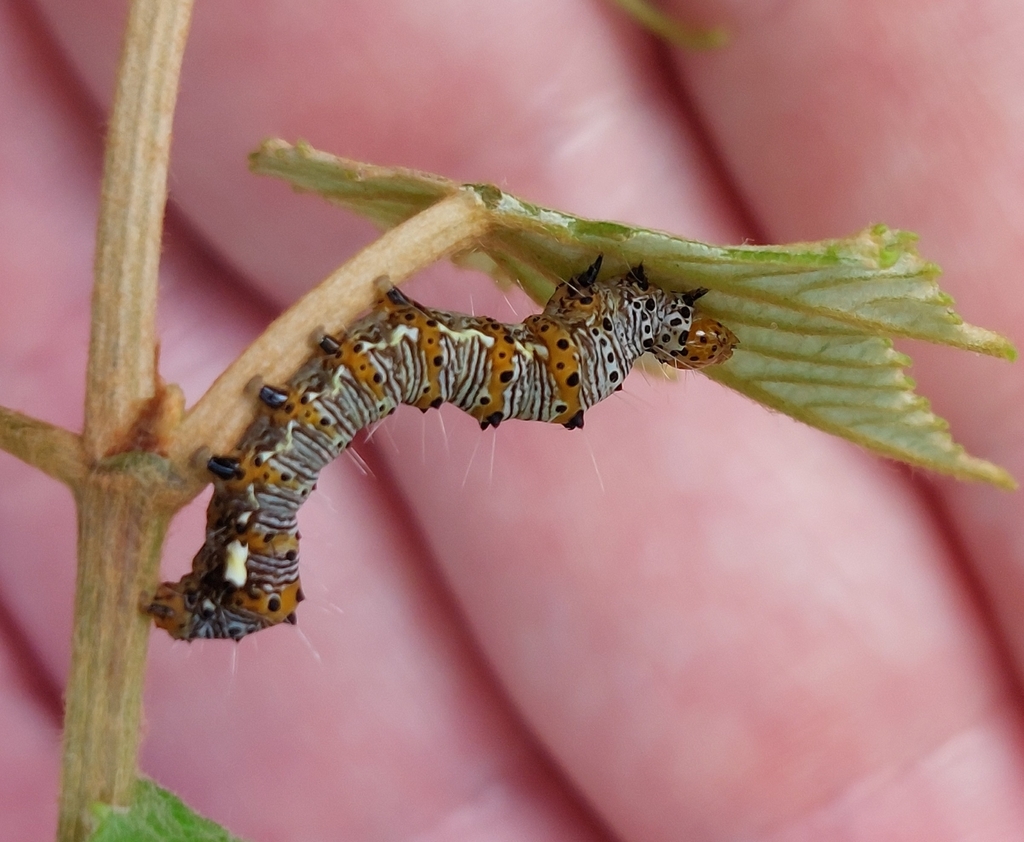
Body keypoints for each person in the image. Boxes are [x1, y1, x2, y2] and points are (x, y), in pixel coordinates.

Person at [2, 0, 1022, 839]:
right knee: (449, 373)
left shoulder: (452, 381)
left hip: (412, 372)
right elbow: (543, 376)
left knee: (406, 377)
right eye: (240, 573)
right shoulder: (524, 367)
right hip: (434, 367)